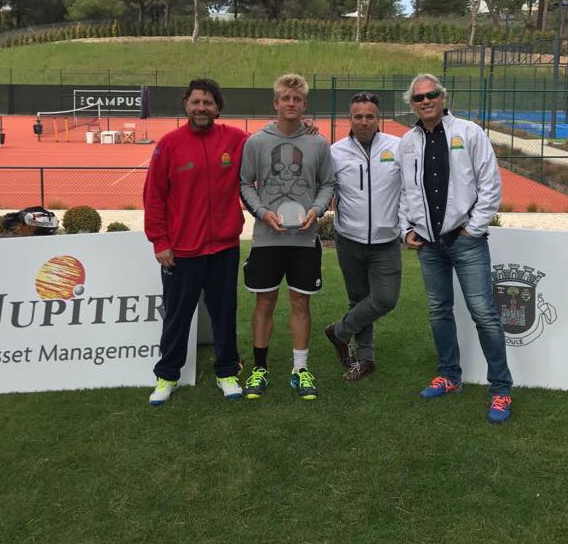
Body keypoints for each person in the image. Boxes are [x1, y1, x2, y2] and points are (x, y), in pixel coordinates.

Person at [398, 73, 513, 424]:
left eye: (432, 94)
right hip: (429, 245)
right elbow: (406, 191)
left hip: (465, 242)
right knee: (439, 311)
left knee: (484, 314)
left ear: (443, 97)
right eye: (419, 98)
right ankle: (449, 376)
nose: (426, 101)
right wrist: (405, 230)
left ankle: (501, 390)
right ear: (412, 104)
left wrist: (473, 230)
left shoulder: (469, 132)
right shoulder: (407, 142)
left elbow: (490, 184)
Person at [143, 78, 246, 405]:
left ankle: (227, 371)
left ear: (218, 107)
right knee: (176, 315)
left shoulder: (235, 139)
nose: (202, 108)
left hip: (224, 248)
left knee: (224, 313)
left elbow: (272, 145)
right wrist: (160, 240)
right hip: (182, 252)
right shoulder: (169, 144)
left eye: (208, 103)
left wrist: (305, 131)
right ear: (186, 104)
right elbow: (154, 196)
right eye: (196, 102)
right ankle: (167, 376)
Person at [239, 74, 335, 400]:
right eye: (285, 98)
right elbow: (244, 184)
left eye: (297, 99)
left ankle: (300, 369)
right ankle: (260, 368)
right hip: (267, 237)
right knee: (264, 301)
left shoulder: (318, 143)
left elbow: (328, 184)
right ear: (276, 103)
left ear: (304, 105)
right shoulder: (256, 142)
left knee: (300, 302)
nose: (291, 103)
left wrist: (318, 209)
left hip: (304, 240)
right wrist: (262, 212)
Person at [324, 92, 402, 382]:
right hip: (349, 239)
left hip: (386, 241)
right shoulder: (336, 151)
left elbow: (410, 189)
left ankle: (339, 331)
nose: (364, 121)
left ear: (378, 119)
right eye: (358, 116)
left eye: (370, 116)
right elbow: (326, 189)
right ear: (350, 119)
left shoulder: (398, 147)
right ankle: (365, 359)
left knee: (385, 299)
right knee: (358, 299)